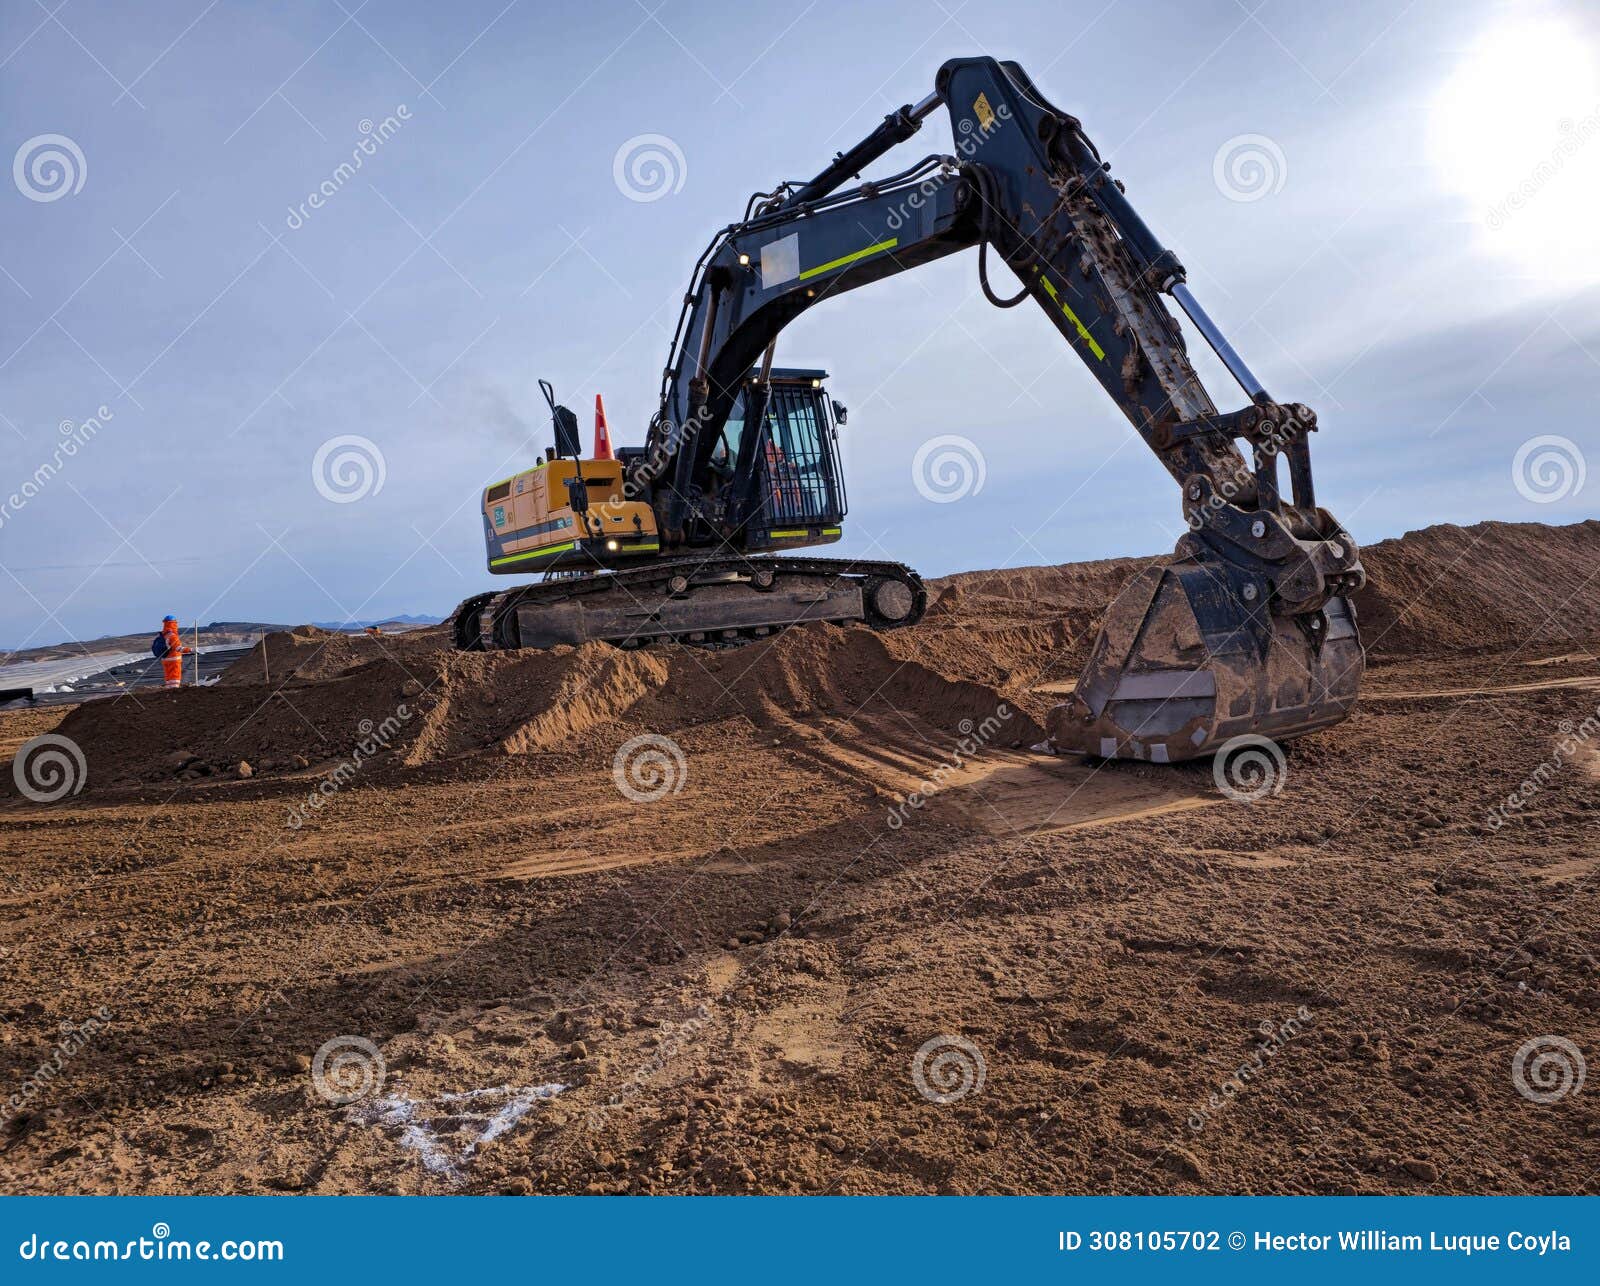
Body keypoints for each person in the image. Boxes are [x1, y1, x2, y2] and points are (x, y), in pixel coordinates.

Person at [155, 615, 191, 689]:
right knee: (175, 677)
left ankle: (169, 690)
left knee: (168, 677)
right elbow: (178, 648)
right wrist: (190, 650)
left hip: (165, 660)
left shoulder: (162, 635)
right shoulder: (172, 636)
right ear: (174, 624)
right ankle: (174, 691)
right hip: (174, 660)